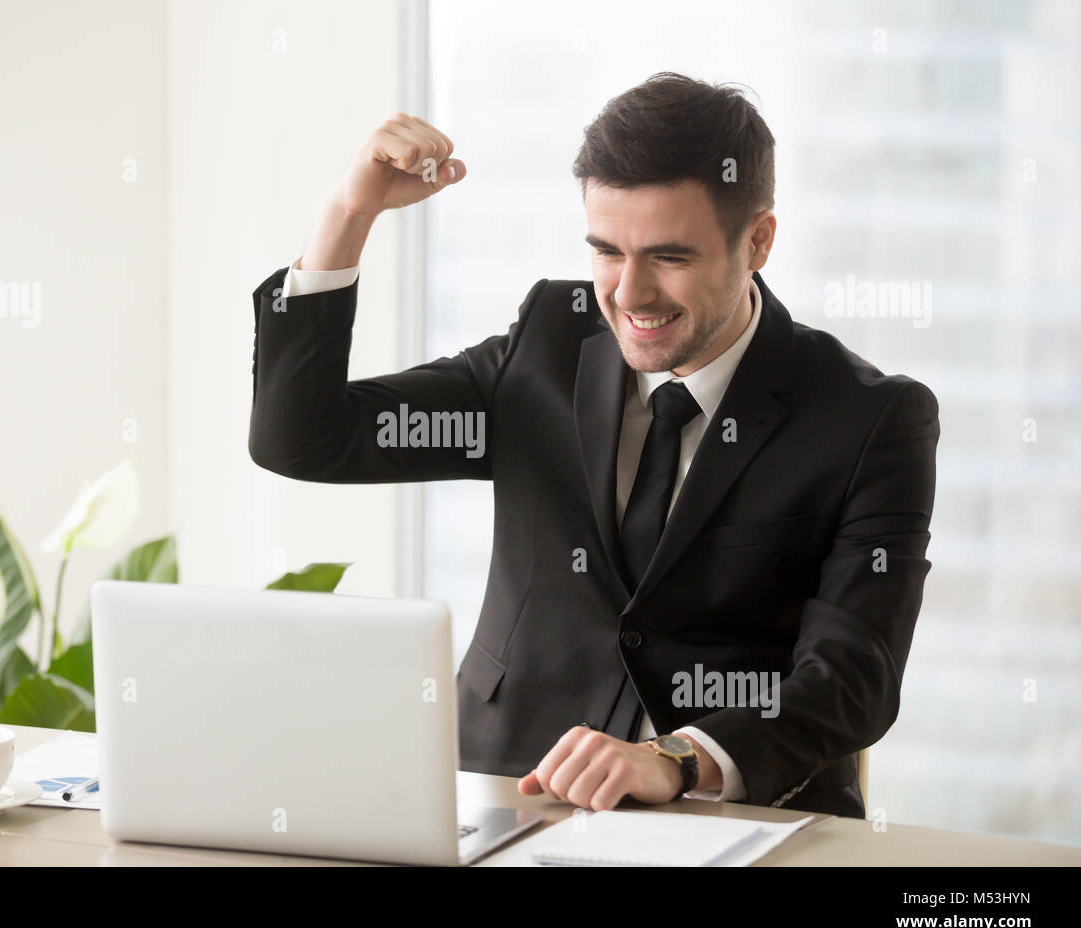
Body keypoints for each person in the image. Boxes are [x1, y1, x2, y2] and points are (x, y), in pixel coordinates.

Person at [248, 72, 939, 818]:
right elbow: (304, 441)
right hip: (509, 794)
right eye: (607, 251)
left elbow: (853, 677)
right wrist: (350, 214)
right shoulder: (551, 341)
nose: (630, 294)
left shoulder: (870, 418)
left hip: (743, 815)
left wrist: (677, 758)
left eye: (670, 258)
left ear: (758, 241)